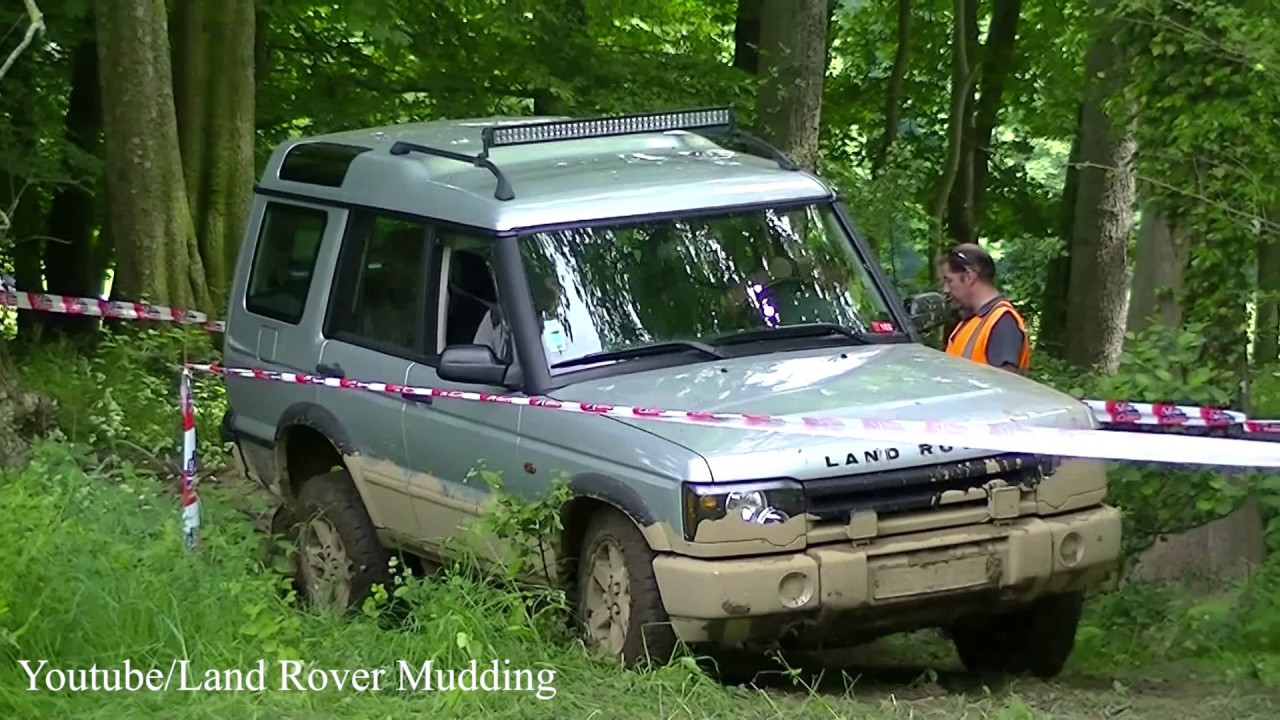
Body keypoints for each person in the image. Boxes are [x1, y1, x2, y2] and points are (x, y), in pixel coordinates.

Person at [939, 243, 1030, 372]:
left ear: (968, 276)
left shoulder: (1003, 322)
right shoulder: (972, 321)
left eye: (949, 281)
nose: (945, 289)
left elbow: (1004, 387)